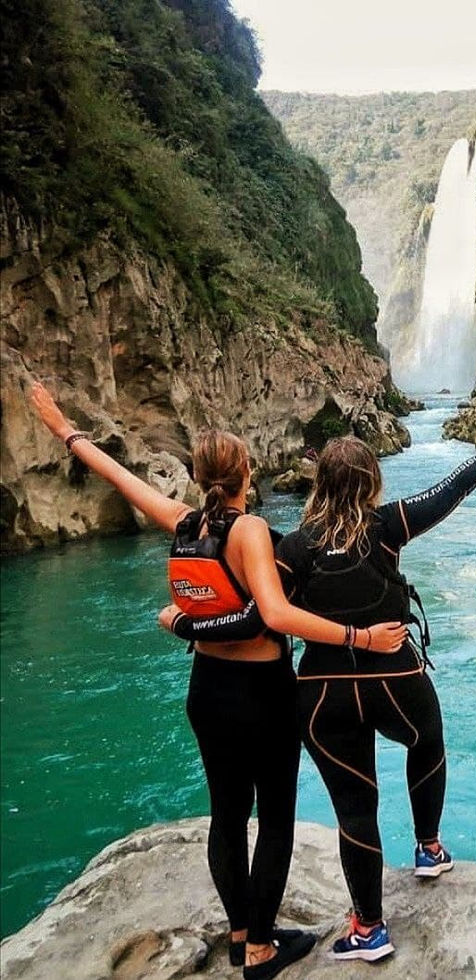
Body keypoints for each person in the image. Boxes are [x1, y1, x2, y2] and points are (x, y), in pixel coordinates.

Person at [28, 381, 408, 980]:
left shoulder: (181, 522)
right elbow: (276, 615)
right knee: (276, 816)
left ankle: (239, 932)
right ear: (246, 471)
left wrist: (63, 429)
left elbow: (119, 477)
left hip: (207, 691)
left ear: (201, 475)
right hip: (263, 693)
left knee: (227, 815)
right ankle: (260, 948)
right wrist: (361, 638)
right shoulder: (250, 530)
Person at [169, 391, 476, 964]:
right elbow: (455, 487)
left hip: (321, 700)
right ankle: (428, 847)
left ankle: (369, 929)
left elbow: (254, 617)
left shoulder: (290, 547)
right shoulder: (388, 524)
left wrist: (186, 625)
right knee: (428, 740)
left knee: (355, 808)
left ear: (318, 483)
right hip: (394, 677)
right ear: (372, 482)